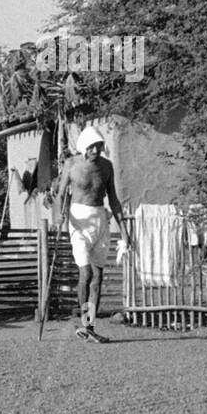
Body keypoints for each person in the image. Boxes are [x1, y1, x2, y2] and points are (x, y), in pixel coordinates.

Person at [53, 126, 128, 343]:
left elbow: (113, 198)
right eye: (92, 146)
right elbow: (60, 195)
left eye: (99, 146)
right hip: (78, 220)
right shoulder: (72, 165)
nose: (96, 150)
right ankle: (84, 321)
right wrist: (60, 215)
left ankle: (89, 326)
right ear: (84, 148)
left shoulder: (107, 167)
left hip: (100, 220)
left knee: (98, 276)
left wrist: (123, 231)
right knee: (85, 273)